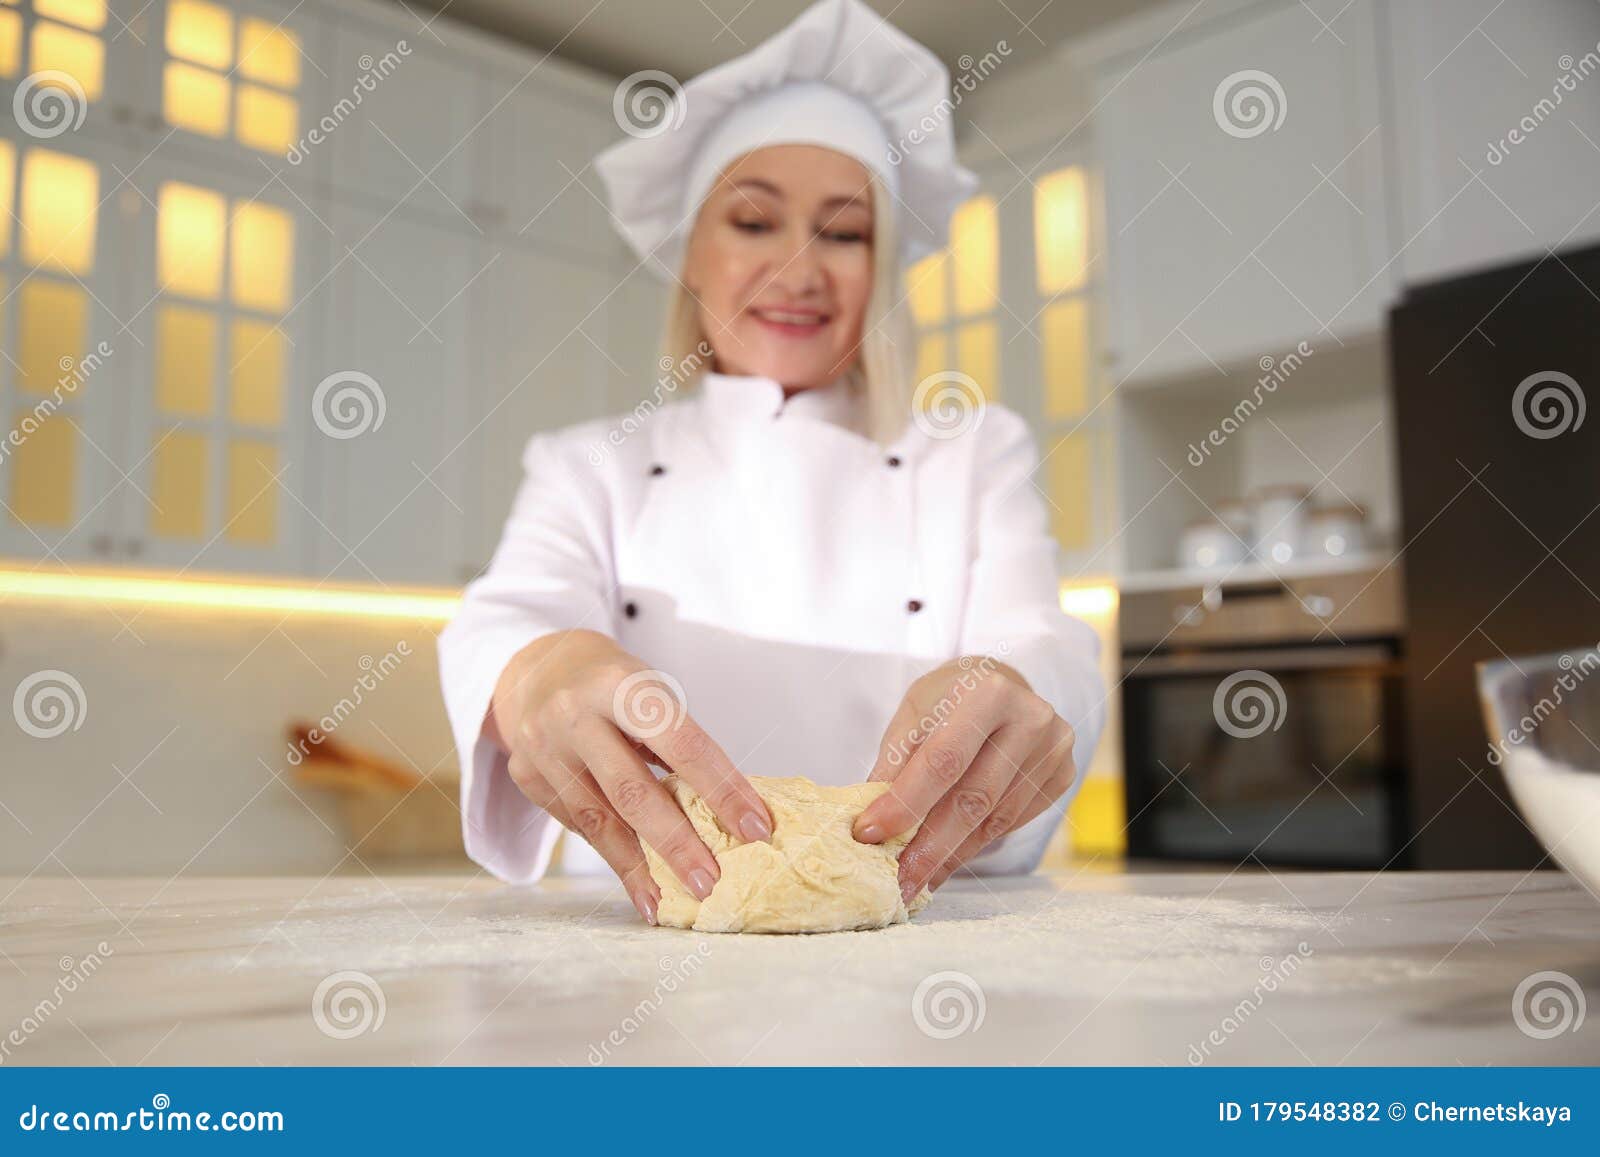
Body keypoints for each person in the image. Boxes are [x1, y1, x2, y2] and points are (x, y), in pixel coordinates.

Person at [438, 0, 1105, 925]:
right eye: (753, 222)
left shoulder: (971, 450)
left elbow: (1038, 638)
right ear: (692, 256)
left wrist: (1013, 690)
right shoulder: (591, 467)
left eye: (843, 232)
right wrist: (536, 672)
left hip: (924, 945)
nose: (798, 271)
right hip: (642, 958)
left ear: (882, 267)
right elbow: (509, 619)